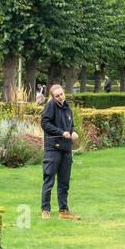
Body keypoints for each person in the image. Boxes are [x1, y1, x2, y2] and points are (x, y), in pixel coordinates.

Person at [39, 84, 81, 221]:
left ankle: (63, 210)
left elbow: (70, 125)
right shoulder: (51, 106)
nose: (60, 97)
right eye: (57, 96)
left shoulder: (67, 107)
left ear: (64, 92)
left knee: (64, 182)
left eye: (61, 94)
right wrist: (61, 132)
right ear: (52, 97)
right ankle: (45, 210)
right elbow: (45, 123)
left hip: (66, 149)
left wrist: (72, 132)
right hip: (53, 148)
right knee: (49, 179)